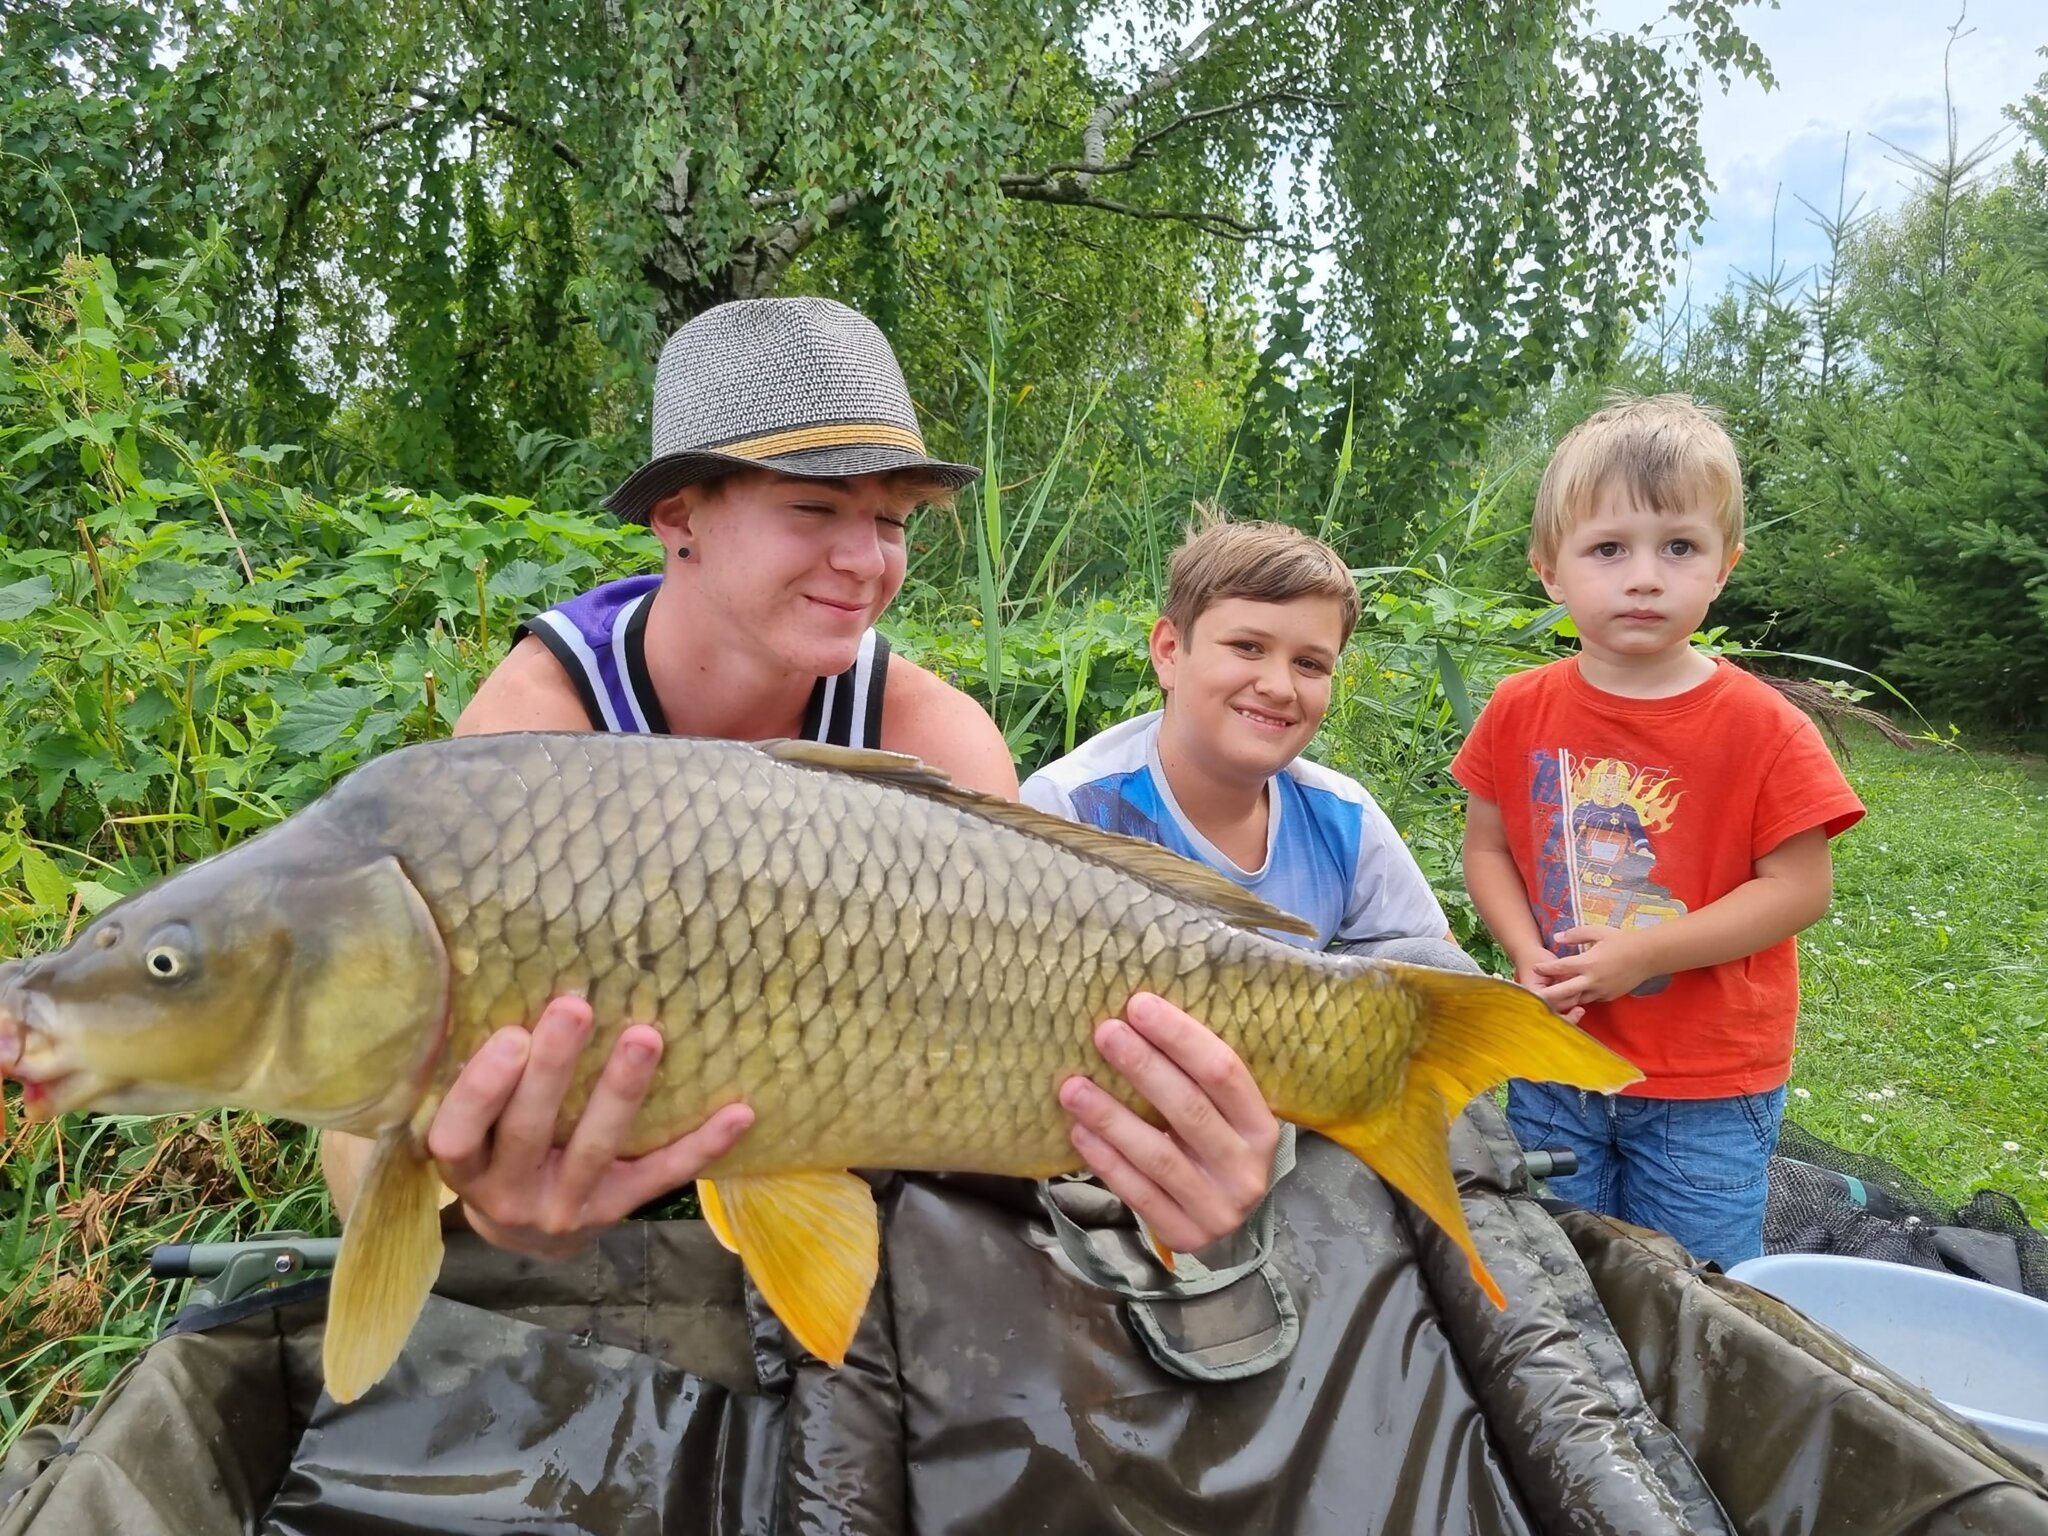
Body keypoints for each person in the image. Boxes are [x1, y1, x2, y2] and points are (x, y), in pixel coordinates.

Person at [319, 297, 1281, 1265]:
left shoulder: (934, 735)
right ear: (678, 518)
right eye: (813, 509)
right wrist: (485, 1209)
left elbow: (1030, 1035)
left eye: (891, 521)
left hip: (855, 1147)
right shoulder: (537, 734)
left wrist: (1163, 1170)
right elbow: (377, 1104)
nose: (864, 563)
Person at [1452, 392, 1865, 1268]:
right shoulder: (1518, 708)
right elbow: (1486, 849)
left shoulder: (1763, 726)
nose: (1645, 576)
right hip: (1556, 1056)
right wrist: (1525, 955)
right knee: (1561, 1263)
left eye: (1679, 546)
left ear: (1725, 565)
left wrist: (1648, 953)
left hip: (1707, 1084)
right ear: (1549, 570)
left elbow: (1799, 888)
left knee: (1694, 1283)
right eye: (1609, 548)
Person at [1021, 515, 1463, 967]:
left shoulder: (1343, 816)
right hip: (1115, 1027)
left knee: (1442, 967)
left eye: (1309, 664)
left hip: (1284, 1029)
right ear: (1170, 651)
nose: (1279, 687)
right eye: (1248, 647)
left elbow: (1453, 972)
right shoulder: (1070, 810)